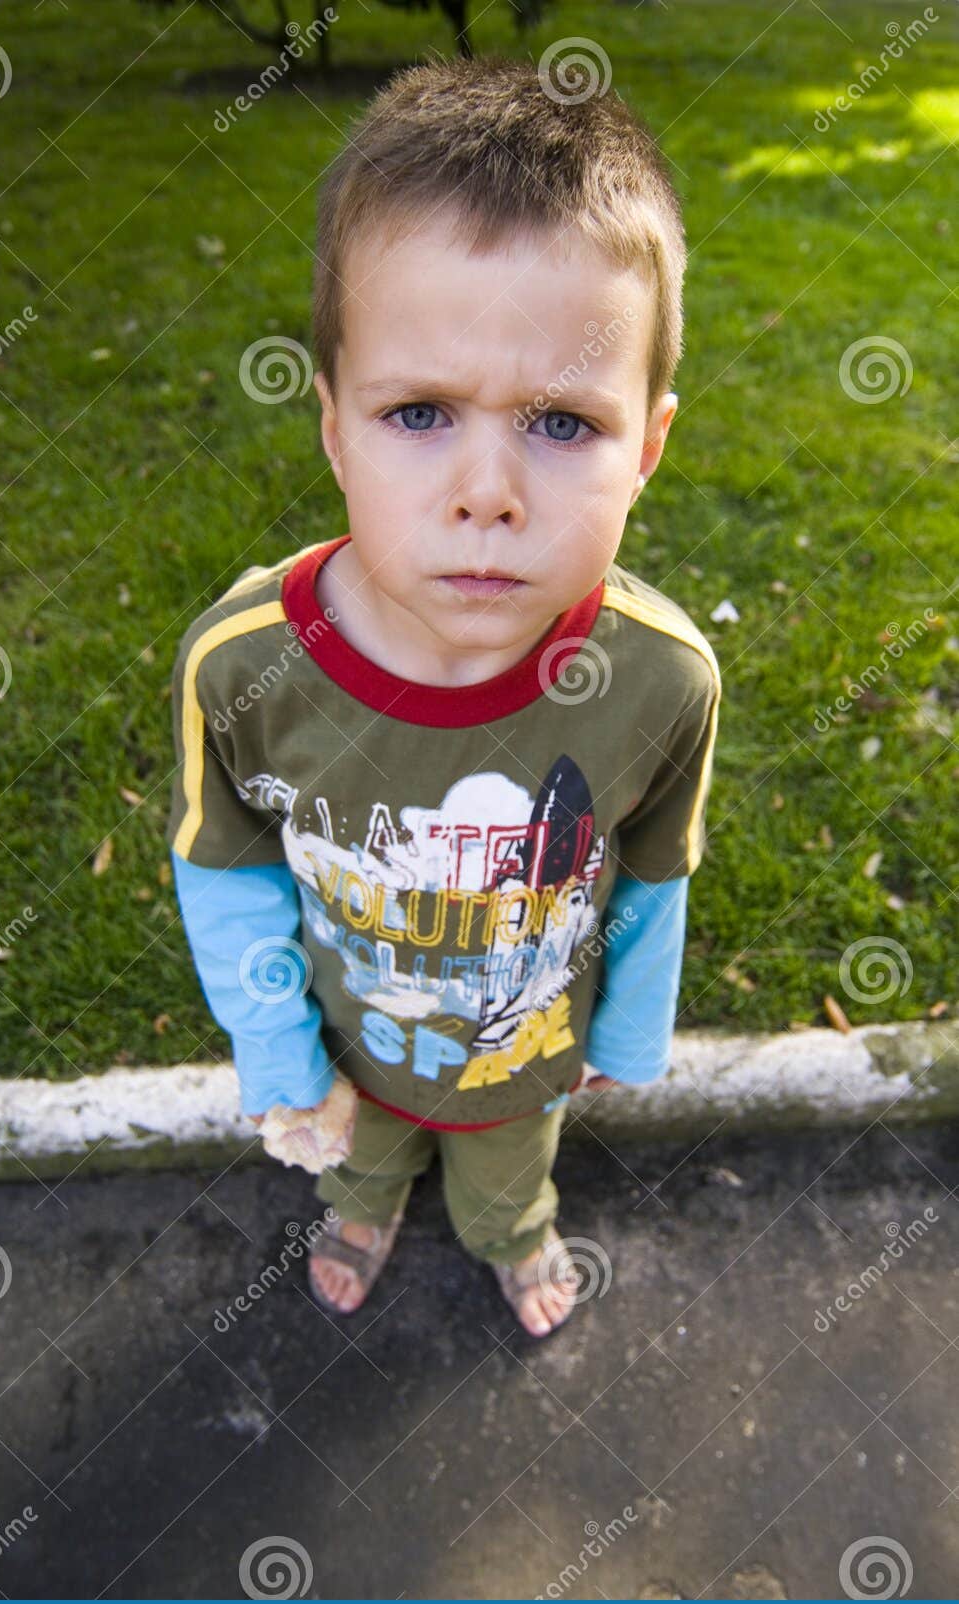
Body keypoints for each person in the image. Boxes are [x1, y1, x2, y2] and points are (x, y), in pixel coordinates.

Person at [165, 56, 721, 1339]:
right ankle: (361, 1213)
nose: (486, 494)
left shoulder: (658, 678)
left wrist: (623, 1037)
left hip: (521, 1056)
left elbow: (654, 867)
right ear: (332, 426)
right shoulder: (244, 666)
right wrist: (280, 1055)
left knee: (507, 1176)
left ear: (646, 445)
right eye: (418, 413)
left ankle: (512, 1236)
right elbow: (224, 863)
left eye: (561, 424)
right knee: (353, 1160)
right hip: (346, 1042)